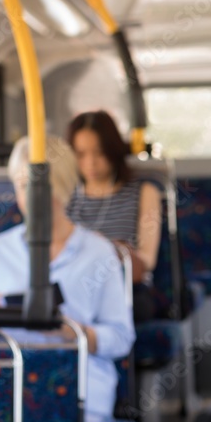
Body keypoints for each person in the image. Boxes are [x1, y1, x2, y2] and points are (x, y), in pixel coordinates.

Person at [0, 135, 135, 422]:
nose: (33, 198)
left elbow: (121, 338)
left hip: (78, 388)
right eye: (23, 186)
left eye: (43, 188)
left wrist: (74, 332)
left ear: (65, 188)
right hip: (9, 387)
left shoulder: (99, 253)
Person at [66, 110, 163, 322]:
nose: (90, 163)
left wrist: (109, 250)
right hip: (74, 286)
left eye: (99, 153)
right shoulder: (65, 196)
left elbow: (147, 260)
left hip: (126, 287)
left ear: (113, 150)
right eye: (81, 154)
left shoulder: (145, 193)